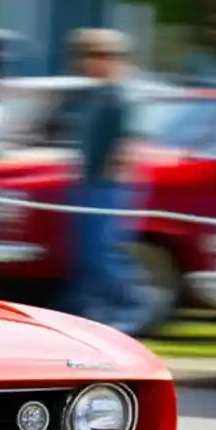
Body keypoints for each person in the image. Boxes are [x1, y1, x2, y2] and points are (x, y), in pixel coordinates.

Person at [64, 28, 145, 330]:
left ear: (113, 58)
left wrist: (108, 183)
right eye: (85, 55)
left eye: (95, 55)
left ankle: (130, 310)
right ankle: (85, 318)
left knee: (102, 256)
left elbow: (127, 145)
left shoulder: (120, 96)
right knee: (85, 257)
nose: (87, 62)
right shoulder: (95, 95)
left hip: (107, 187)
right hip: (89, 183)